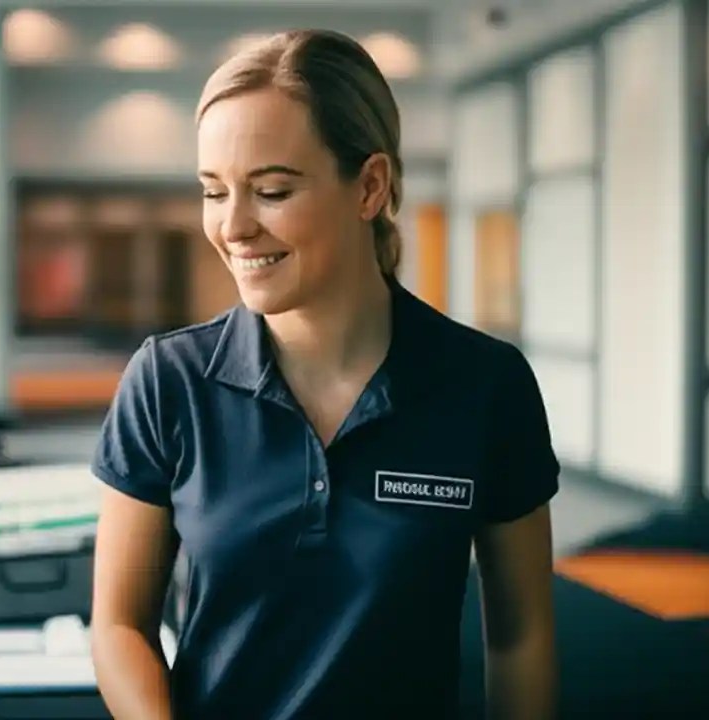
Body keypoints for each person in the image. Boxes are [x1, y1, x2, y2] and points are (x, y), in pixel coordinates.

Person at [90, 30, 558, 720]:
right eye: (214, 192)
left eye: (271, 191)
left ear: (369, 186)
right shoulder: (169, 382)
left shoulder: (486, 386)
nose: (233, 227)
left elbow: (521, 636)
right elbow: (120, 626)